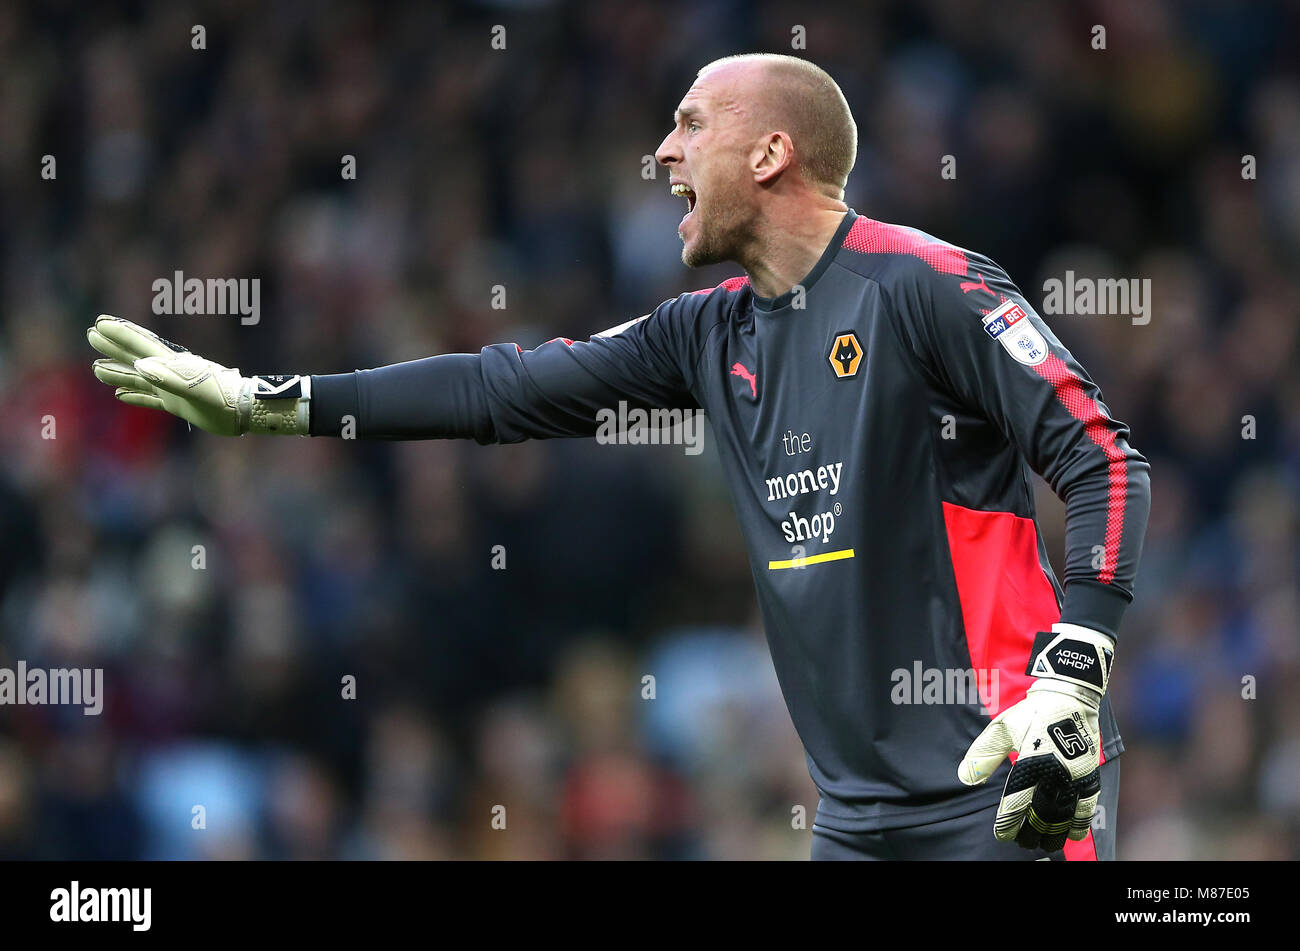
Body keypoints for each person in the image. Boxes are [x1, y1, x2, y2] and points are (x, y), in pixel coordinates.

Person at [88, 53, 1149, 860]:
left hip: (1007, 790)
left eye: (692, 124)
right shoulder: (706, 333)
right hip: (856, 821)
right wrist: (270, 403)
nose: (665, 151)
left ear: (771, 152)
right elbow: (503, 388)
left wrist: (1076, 669)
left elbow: (1102, 456)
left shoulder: (923, 284)